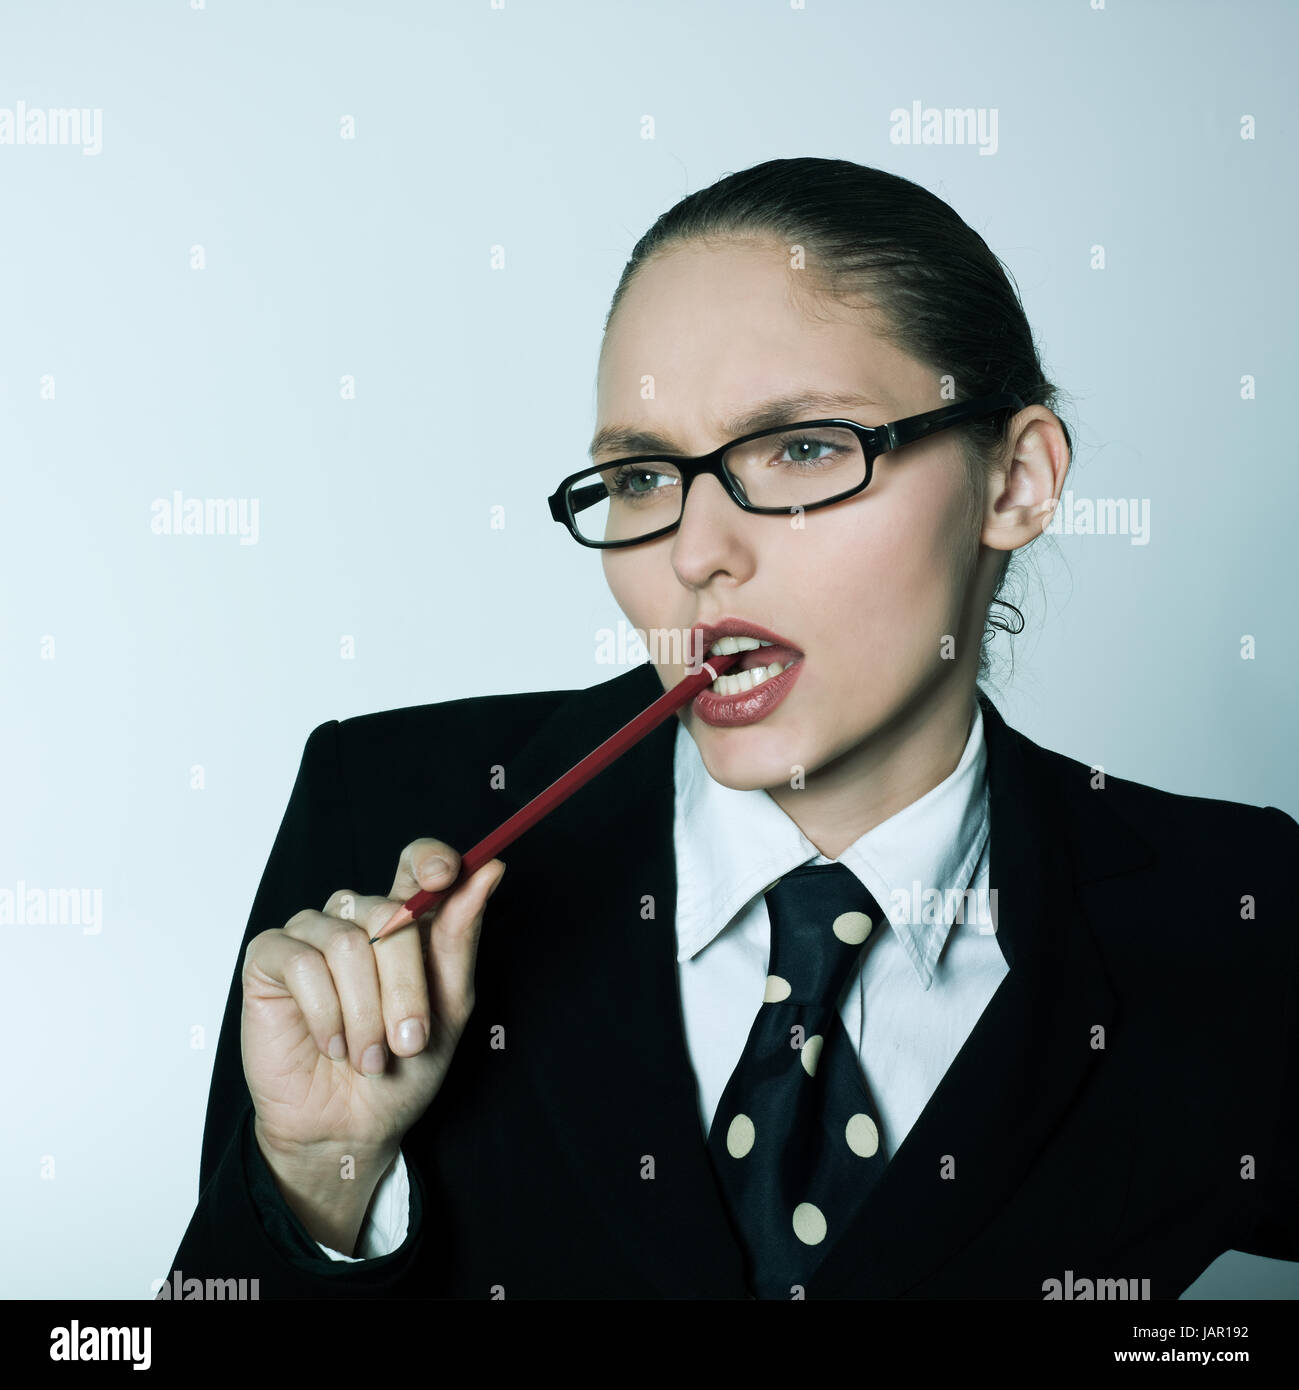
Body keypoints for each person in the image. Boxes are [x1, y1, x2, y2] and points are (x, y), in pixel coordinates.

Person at [162, 156, 1299, 1300]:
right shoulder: (397, 809)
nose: (698, 551)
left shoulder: (1235, 911)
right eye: (647, 475)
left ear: (1018, 480)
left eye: (802, 448)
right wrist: (315, 1176)